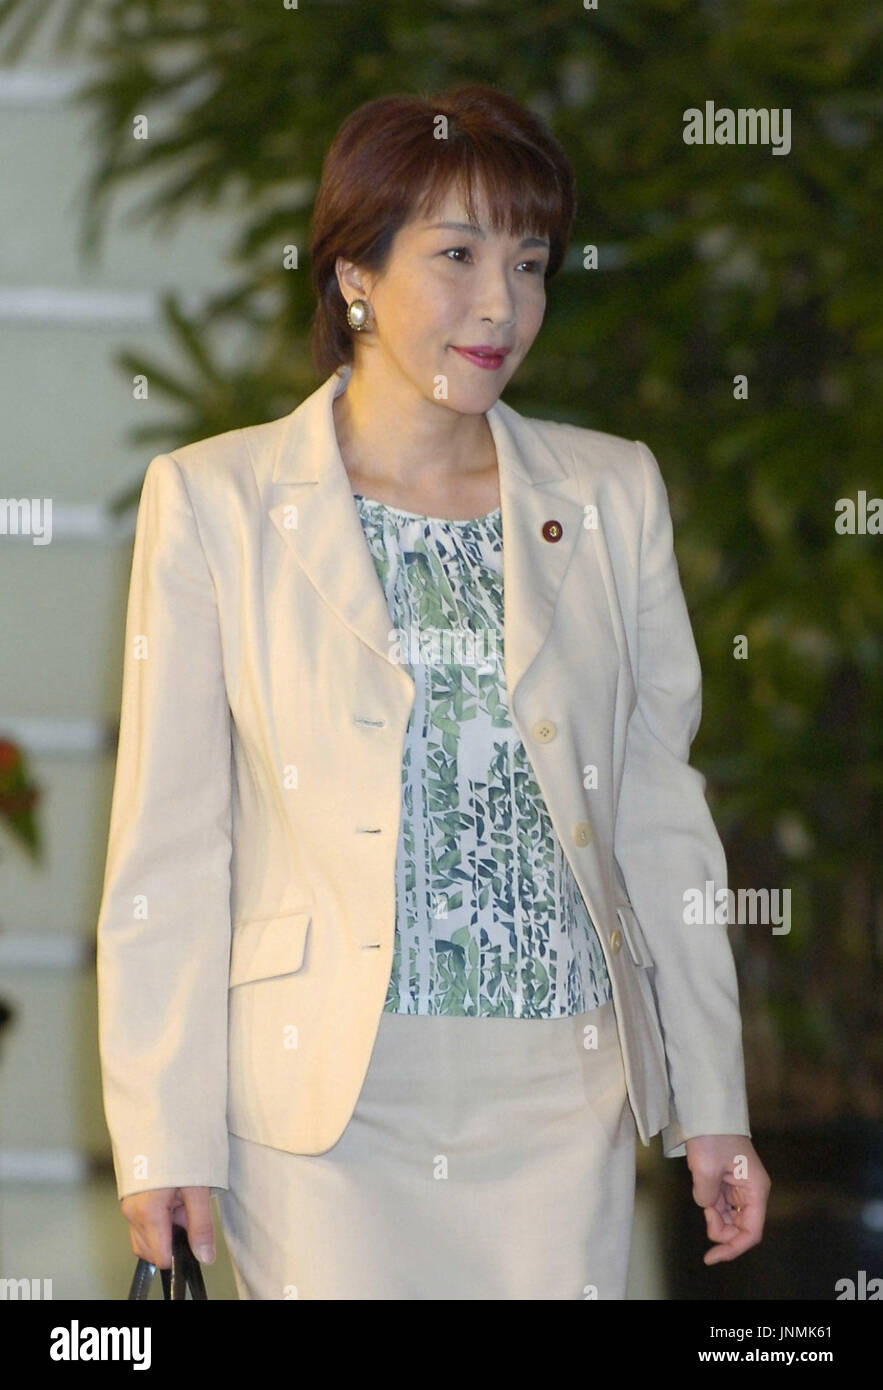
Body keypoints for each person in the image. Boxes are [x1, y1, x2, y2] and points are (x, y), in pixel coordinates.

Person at [96, 83, 770, 1300]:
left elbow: (662, 818)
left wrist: (712, 1102)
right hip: (325, 1111)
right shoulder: (215, 501)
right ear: (353, 271)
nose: (501, 304)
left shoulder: (612, 494)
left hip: (559, 1090)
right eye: (455, 255)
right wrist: (161, 1136)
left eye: (529, 261)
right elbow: (172, 847)